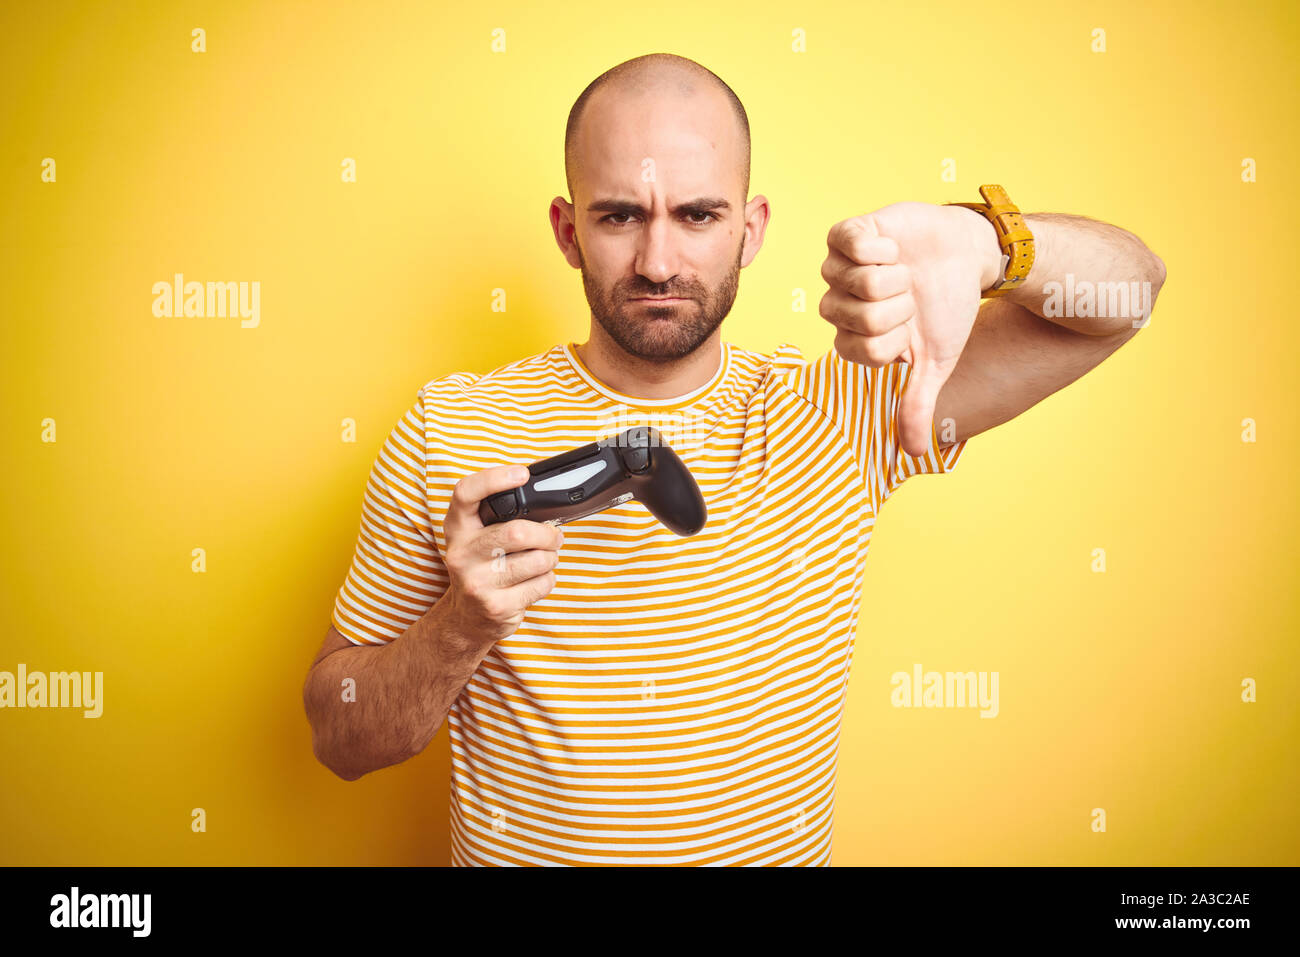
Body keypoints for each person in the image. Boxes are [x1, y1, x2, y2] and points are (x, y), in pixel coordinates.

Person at [302, 53, 1166, 866]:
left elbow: (1130, 296)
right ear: (568, 231)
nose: (658, 261)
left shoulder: (845, 411)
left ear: (751, 231)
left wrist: (989, 244)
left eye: (698, 214)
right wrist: (460, 627)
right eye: (619, 215)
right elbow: (340, 742)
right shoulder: (448, 427)